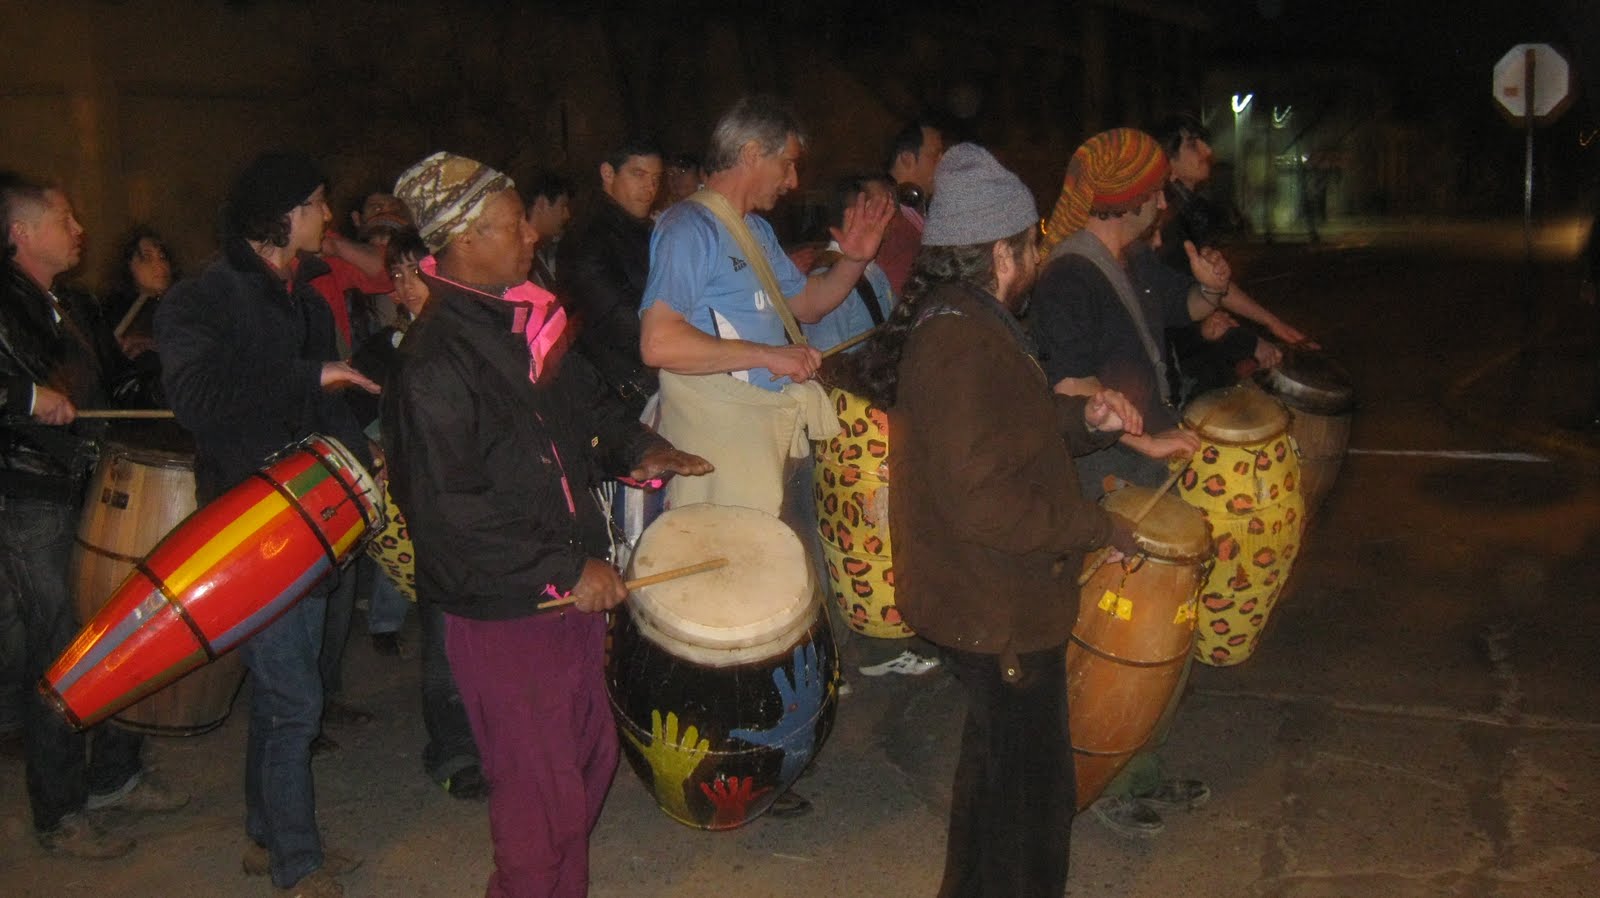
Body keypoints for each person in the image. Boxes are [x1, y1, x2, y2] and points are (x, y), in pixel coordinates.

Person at [385, 151, 710, 898]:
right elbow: (447, 514)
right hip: (508, 606)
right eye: (509, 226)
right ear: (463, 243)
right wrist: (563, 571)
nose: (530, 234)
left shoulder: (521, 324)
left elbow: (588, 411)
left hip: (566, 589)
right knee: (540, 801)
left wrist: (641, 447)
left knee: (590, 761)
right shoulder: (436, 362)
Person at [839, 143, 1140, 898]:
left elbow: (1019, 429)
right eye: (1031, 242)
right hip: (996, 605)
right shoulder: (961, 343)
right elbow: (987, 502)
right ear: (1003, 253)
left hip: (988, 599)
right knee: (1034, 816)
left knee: (993, 788)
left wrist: (1088, 418)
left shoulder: (970, 323)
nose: (1039, 254)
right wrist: (1095, 527)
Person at [156, 152, 377, 898]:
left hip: (309, 519)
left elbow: (326, 405)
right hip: (244, 524)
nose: (328, 219)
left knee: (292, 689)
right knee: (294, 700)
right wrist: (308, 376)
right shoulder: (200, 300)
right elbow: (197, 397)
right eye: (316, 203)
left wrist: (368, 452)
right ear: (279, 215)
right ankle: (296, 863)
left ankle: (267, 834)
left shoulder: (306, 299)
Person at [1032, 127, 1224, 839]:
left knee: (1161, 633)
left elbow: (1185, 313)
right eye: (1156, 193)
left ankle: (1140, 763)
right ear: (1133, 200)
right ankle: (1106, 775)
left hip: (1144, 460)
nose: (1164, 203)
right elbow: (1069, 384)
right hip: (1104, 471)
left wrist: (1212, 290)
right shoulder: (1069, 277)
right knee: (1115, 634)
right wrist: (1146, 437)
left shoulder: (1133, 259)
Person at [0, 172, 189, 860]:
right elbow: (17, 392)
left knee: (122, 630)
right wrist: (24, 398)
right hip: (28, 491)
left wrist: (176, 370)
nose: (78, 228)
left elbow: (118, 383)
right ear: (21, 232)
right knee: (59, 648)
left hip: (90, 479)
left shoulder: (71, 301)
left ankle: (115, 773)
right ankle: (59, 812)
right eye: (63, 217)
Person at [639, 94, 892, 522]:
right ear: (752, 153)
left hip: (764, 433)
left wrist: (855, 260)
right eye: (787, 163)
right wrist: (768, 355)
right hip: (722, 442)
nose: (793, 180)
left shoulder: (754, 230)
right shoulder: (689, 228)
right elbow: (658, 343)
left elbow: (809, 306)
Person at [1151, 113, 1311, 402]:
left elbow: (1215, 286)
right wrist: (1247, 340)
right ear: (1168, 161)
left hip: (1187, 348)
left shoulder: (1188, 211)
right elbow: (1175, 304)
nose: (1207, 151)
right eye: (1192, 144)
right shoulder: (1167, 220)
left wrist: (1269, 323)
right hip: (1174, 362)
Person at [555, 137, 664, 418]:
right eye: (638, 175)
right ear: (608, 173)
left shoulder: (643, 229)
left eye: (655, 178)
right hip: (620, 391)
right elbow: (615, 318)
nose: (650, 188)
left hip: (647, 371)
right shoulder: (588, 238)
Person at [100, 225, 177, 407]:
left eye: (162, 257)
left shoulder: (183, 306)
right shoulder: (110, 311)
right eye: (147, 258)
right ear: (128, 266)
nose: (159, 266)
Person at [876, 118, 945, 294]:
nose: (943, 162)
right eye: (935, 155)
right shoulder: (886, 219)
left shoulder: (916, 213)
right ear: (907, 158)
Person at [524, 171, 573, 292]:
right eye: (562, 206)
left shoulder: (542, 252)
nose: (567, 215)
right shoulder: (521, 258)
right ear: (542, 203)